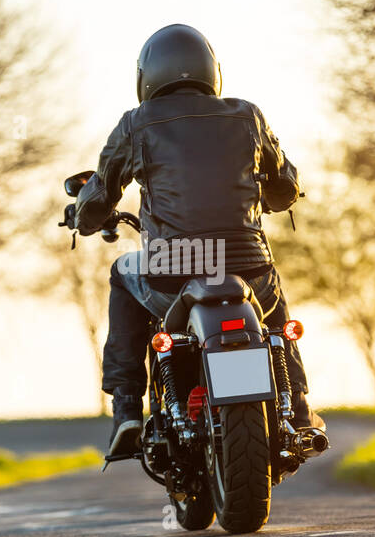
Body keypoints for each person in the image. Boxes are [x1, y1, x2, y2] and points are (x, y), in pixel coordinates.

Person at [69, 23, 321, 459]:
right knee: (277, 323)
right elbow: (283, 186)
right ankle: (297, 409)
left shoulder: (135, 124)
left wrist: (84, 217)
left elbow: (100, 194)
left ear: (146, 76)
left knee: (120, 271)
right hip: (247, 267)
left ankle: (127, 406)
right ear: (211, 71)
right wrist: (281, 192)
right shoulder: (248, 116)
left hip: (172, 269)